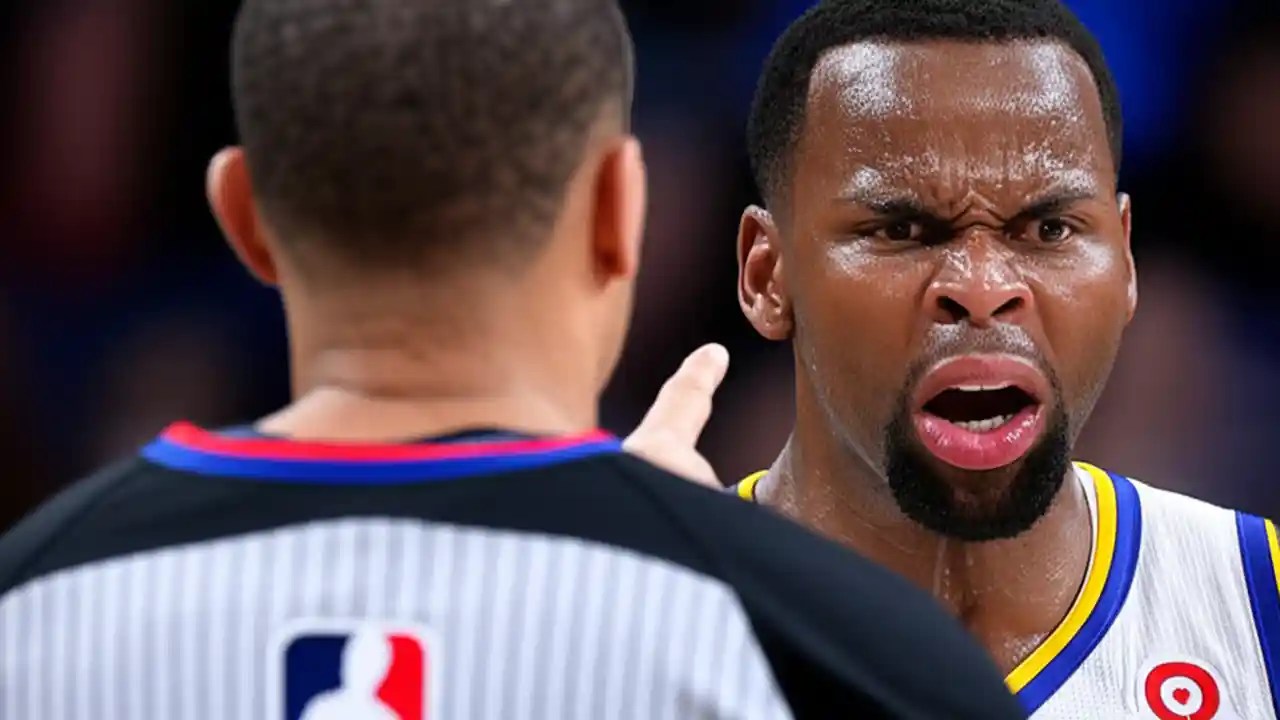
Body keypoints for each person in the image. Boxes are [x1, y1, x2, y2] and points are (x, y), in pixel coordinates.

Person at [0, 0, 1026, 718]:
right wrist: (695, 556)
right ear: (619, 210)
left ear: (243, 216)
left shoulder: (28, 612)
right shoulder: (839, 655)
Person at [640, 0, 1280, 717]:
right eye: (902, 228)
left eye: (1049, 227)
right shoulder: (632, 633)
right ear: (766, 276)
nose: (982, 290)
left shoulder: (1258, 603)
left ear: (1126, 263)